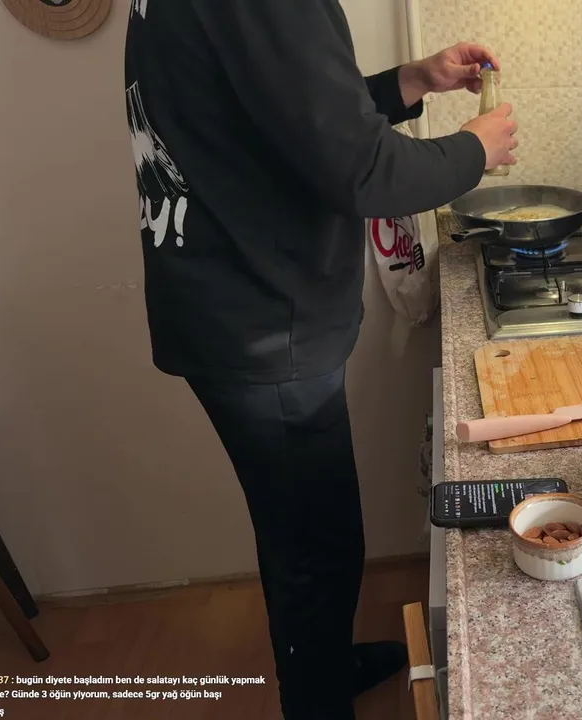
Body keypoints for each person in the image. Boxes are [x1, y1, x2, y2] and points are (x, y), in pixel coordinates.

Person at [123, 2, 517, 718]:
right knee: (313, 547)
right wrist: (474, 149)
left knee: (309, 531)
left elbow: (293, 115)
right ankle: (316, 699)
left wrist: (407, 81)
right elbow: (360, 169)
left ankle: (325, 667)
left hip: (233, 304)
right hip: (260, 318)